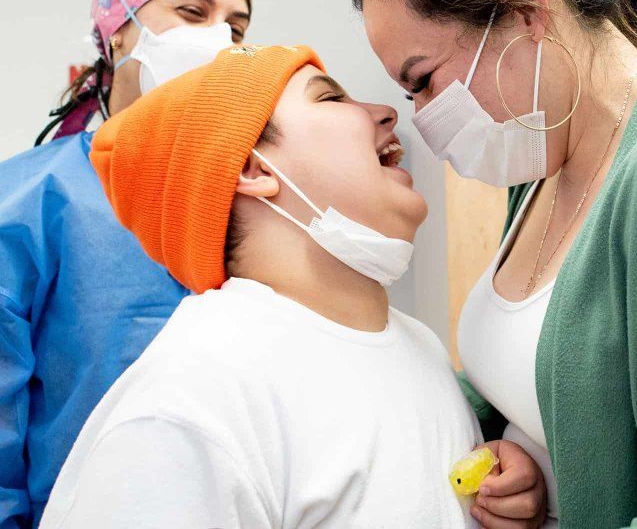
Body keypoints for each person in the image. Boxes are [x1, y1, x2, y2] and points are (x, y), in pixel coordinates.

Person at [350, 0, 637, 528]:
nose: (423, 118)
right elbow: (555, 392)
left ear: (526, 9)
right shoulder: (541, 155)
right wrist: (512, 460)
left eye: (424, 80)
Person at [42, 43, 482, 528]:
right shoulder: (192, 402)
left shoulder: (420, 347)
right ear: (254, 169)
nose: (385, 112)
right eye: (330, 98)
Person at [0, 0, 252, 528]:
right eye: (192, 12)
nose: (219, 40)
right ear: (118, 31)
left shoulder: (252, 196)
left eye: (237, 28)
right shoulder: (31, 199)